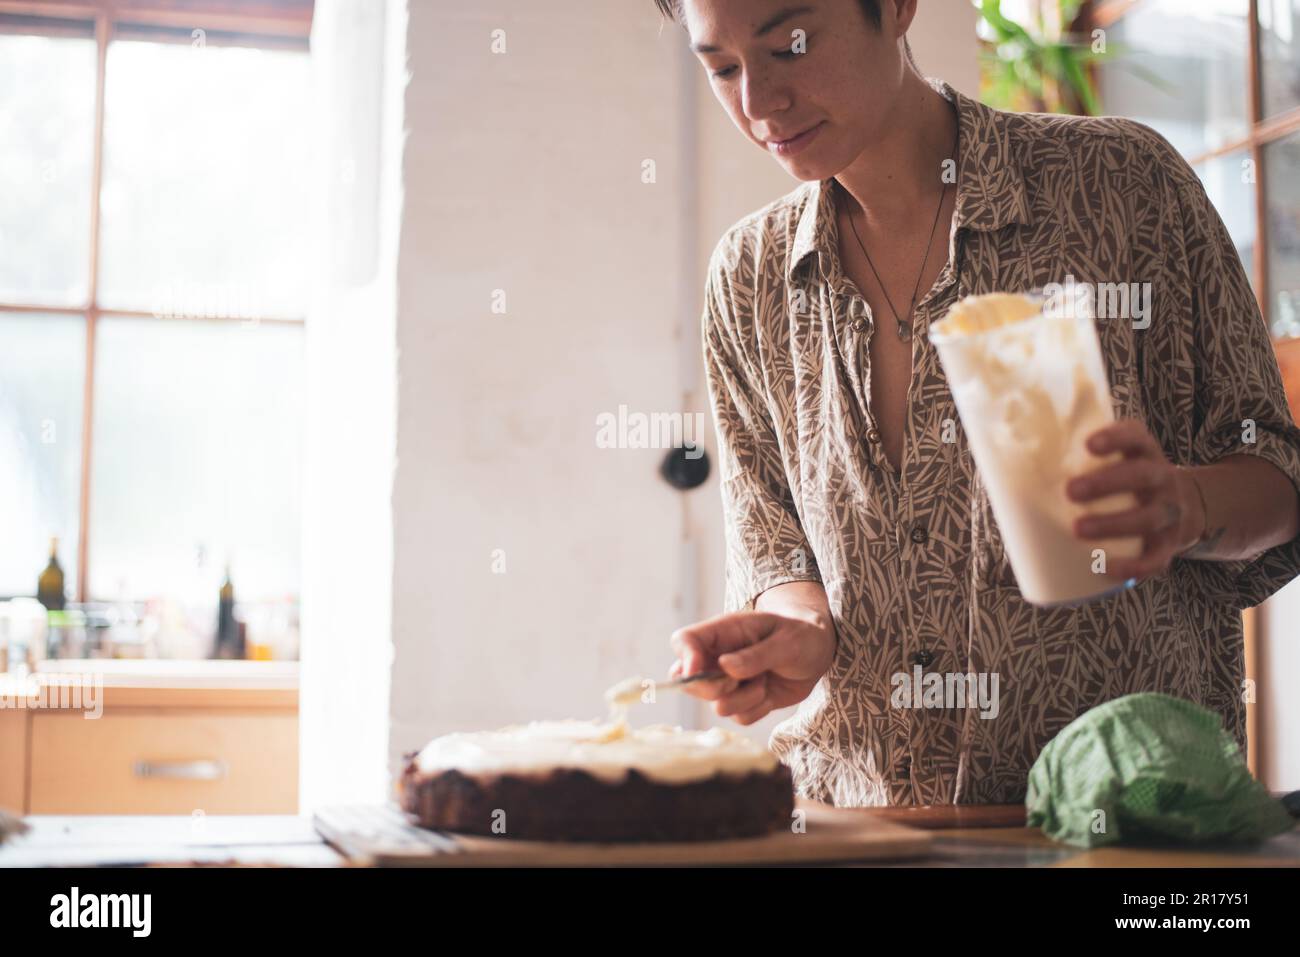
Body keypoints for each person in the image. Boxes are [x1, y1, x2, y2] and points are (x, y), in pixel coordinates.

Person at [658, 0, 1300, 805]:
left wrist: (1186, 503)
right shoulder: (748, 277)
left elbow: (1280, 476)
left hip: (1128, 817)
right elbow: (775, 546)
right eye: (721, 67)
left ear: (895, 8)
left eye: (788, 44)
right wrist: (799, 626)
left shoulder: (1122, 187)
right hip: (858, 818)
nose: (756, 102)